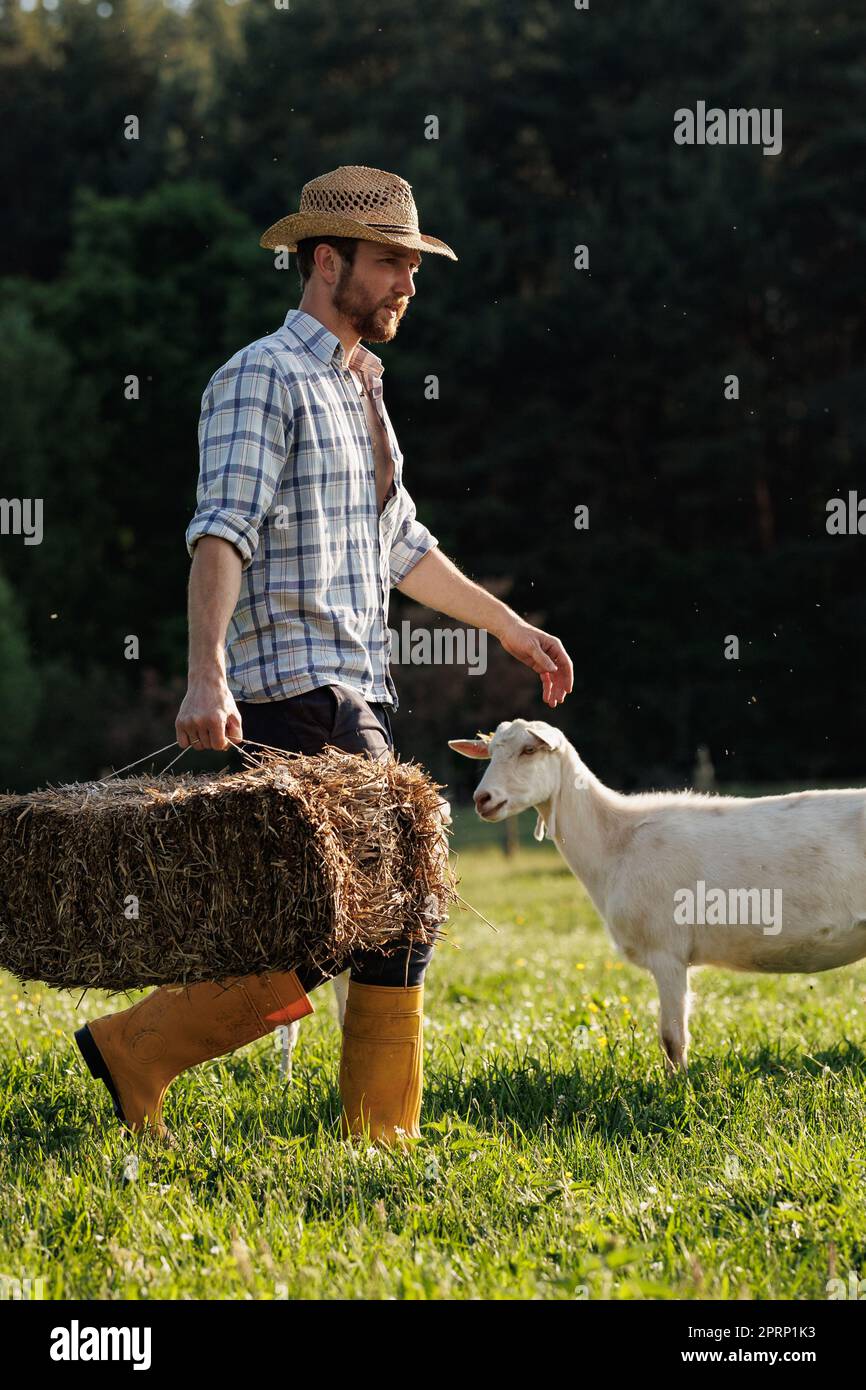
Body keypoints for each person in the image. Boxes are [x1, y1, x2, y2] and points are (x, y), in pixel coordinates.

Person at [74, 165, 573, 1146]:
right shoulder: (263, 376)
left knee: (385, 914)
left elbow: (401, 547)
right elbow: (222, 530)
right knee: (358, 913)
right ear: (324, 259)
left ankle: (359, 1134)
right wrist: (206, 672)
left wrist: (507, 627)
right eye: (390, 262)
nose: (407, 285)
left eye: (414, 266)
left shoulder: (362, 385)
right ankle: (147, 1051)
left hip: (359, 692)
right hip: (293, 691)